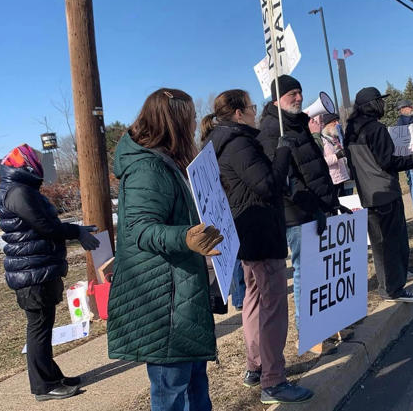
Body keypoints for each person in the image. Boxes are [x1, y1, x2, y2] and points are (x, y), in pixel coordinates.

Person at [107, 88, 224, 411]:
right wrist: (186, 238)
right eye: (187, 118)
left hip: (181, 293)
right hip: (163, 300)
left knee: (195, 387)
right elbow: (141, 229)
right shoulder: (148, 167)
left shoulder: (167, 161)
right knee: (171, 391)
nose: (191, 126)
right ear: (171, 121)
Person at [202, 89, 313, 405]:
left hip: (245, 232)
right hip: (260, 231)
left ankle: (255, 367)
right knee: (273, 306)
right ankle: (273, 380)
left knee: (253, 299)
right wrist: (282, 153)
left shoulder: (219, 141)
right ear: (238, 113)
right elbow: (267, 186)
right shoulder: (238, 144)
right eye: (250, 107)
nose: (254, 111)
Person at [0, 144, 100, 402]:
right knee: (39, 329)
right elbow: (45, 226)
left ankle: (53, 376)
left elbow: (46, 224)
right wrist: (76, 233)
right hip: (31, 273)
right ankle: (44, 386)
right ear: (27, 166)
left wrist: (76, 228)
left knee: (43, 327)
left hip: (37, 269)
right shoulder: (18, 191)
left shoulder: (19, 189)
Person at [256, 75, 351, 333]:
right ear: (277, 100)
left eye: (299, 92)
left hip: (317, 207)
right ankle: (310, 329)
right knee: (305, 273)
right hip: (297, 213)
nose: (298, 98)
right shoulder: (272, 130)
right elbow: (285, 179)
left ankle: (328, 323)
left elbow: (315, 167)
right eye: (292, 94)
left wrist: (330, 202)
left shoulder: (298, 124)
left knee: (323, 270)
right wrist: (313, 207)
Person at [344, 87, 413, 303]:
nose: (384, 104)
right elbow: (388, 161)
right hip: (385, 191)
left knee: (379, 244)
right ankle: (394, 289)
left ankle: (387, 284)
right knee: (394, 241)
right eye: (380, 101)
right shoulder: (376, 129)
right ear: (373, 105)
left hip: (368, 193)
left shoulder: (350, 129)